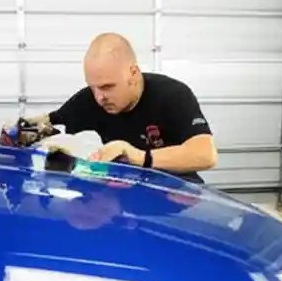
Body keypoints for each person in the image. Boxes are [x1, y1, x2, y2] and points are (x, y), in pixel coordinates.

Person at [11, 33, 218, 183]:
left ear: (133, 73)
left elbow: (205, 155)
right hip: (120, 202)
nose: (99, 97)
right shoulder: (85, 102)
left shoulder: (172, 95)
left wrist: (137, 156)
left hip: (177, 198)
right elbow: (42, 127)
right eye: (92, 87)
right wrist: (19, 133)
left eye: (107, 87)